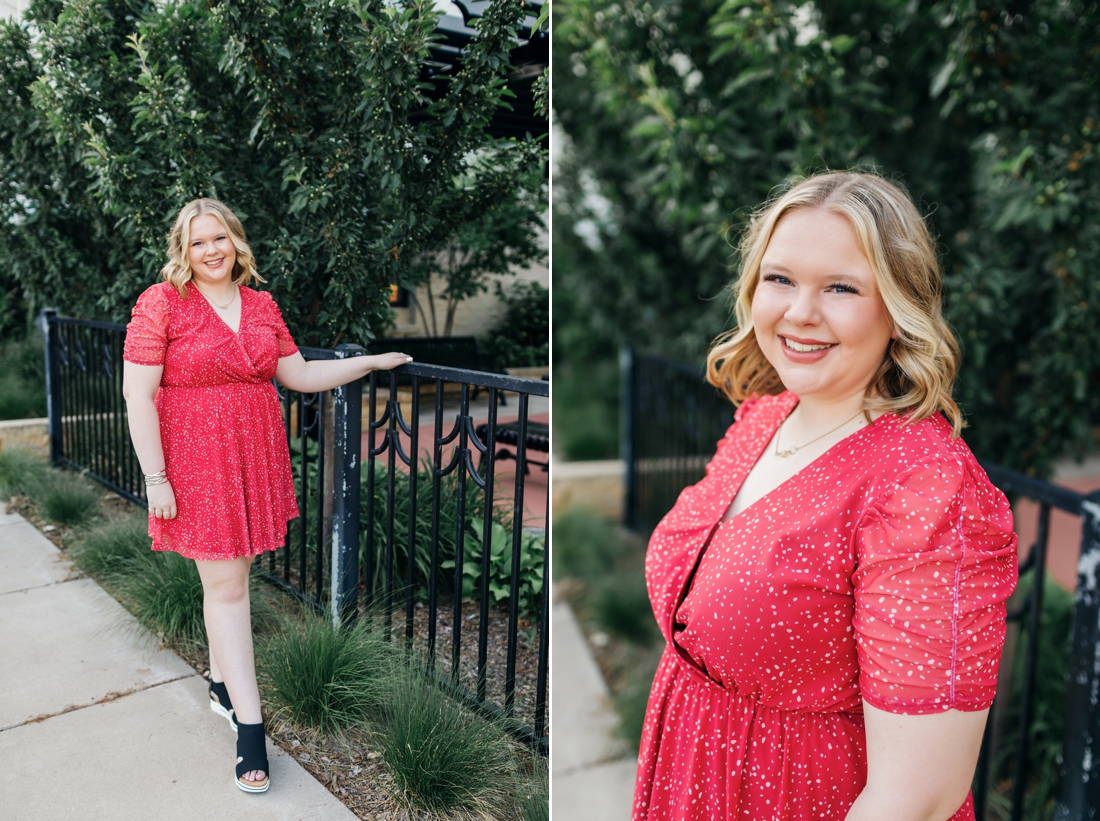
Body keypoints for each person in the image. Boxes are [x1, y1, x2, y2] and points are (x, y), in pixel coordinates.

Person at [632, 171, 1019, 821]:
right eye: (780, 278)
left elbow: (917, 796)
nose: (799, 312)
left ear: (897, 307)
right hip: (694, 780)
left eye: (841, 287)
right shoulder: (769, 412)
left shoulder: (923, 487)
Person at [121, 198, 410, 794]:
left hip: (254, 459)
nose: (212, 250)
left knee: (228, 584)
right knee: (227, 590)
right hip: (197, 464)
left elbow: (298, 375)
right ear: (184, 249)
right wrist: (156, 479)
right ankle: (249, 731)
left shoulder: (260, 305)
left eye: (220, 237)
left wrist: (370, 363)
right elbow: (137, 397)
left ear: (237, 242)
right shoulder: (162, 303)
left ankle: (223, 687)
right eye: (199, 242)